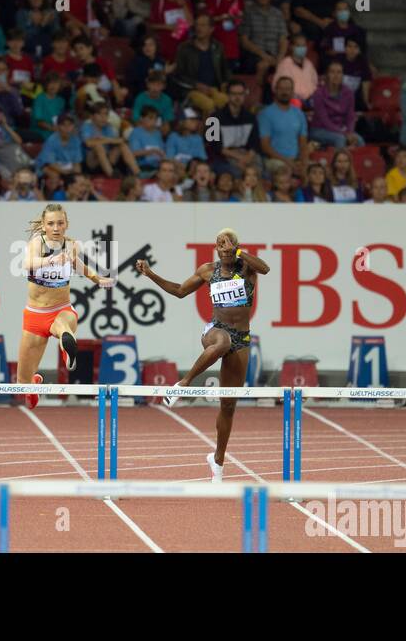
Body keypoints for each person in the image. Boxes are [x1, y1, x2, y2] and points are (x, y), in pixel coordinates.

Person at [134, 229, 271, 483]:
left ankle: (218, 461)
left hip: (242, 339)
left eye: (228, 243)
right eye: (220, 244)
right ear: (216, 248)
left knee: (228, 405)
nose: (224, 247)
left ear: (237, 246)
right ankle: (182, 384)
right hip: (215, 331)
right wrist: (150, 273)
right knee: (221, 342)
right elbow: (178, 291)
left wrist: (239, 251)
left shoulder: (247, 268)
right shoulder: (208, 270)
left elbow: (266, 268)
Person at [16, 204, 116, 409]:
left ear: (66, 225)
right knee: (21, 382)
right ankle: (31, 387)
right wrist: (51, 260)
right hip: (35, 316)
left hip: (61, 310)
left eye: (60, 223)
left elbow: (79, 266)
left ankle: (67, 347)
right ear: (44, 226)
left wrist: (97, 279)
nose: (55, 228)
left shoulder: (72, 246)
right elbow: (27, 264)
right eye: (51, 223)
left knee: (63, 328)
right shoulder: (38, 243)